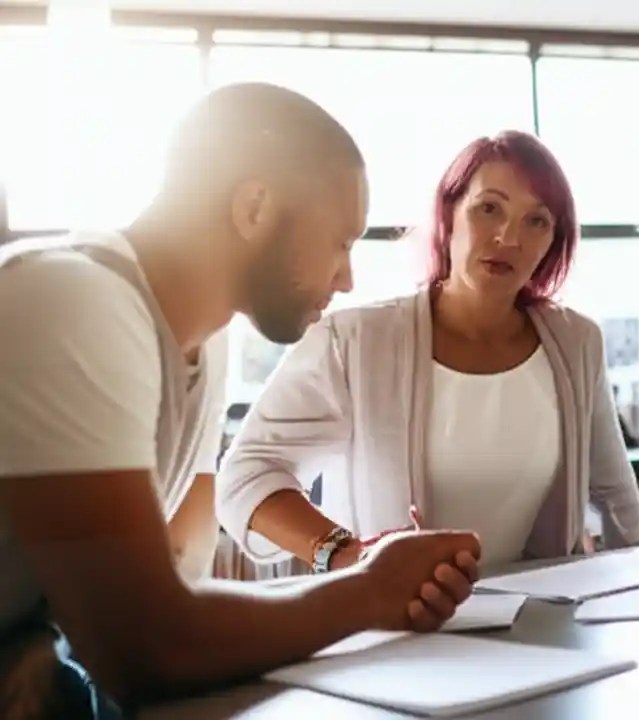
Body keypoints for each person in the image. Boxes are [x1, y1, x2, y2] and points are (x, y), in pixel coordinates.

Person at [0, 83, 480, 718]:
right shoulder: (75, 301)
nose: (348, 277)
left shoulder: (205, 337)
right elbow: (149, 645)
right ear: (254, 207)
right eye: (341, 240)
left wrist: (362, 570)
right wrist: (369, 589)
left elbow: (182, 581)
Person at [215, 130, 639, 573]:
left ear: (553, 239)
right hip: (391, 624)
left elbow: (616, 498)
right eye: (489, 209)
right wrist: (346, 554)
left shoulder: (576, 341)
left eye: (536, 220)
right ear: (449, 214)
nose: (509, 237)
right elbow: (245, 474)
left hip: (544, 624)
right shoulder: (353, 342)